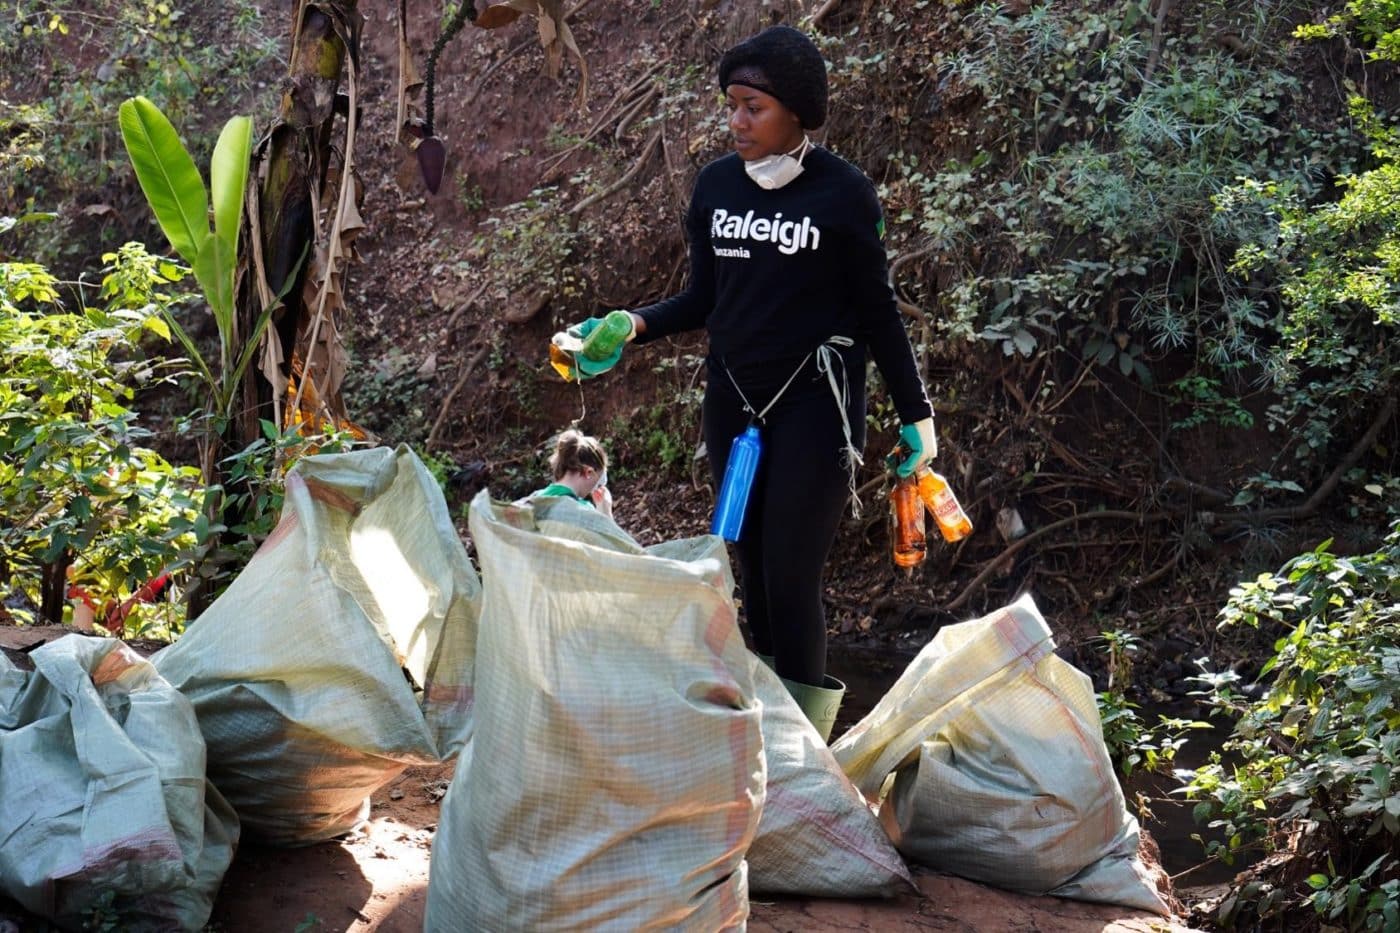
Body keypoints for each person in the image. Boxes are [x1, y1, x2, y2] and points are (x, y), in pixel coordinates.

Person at [557, 24, 936, 741]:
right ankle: (765, 744)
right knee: (752, 578)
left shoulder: (845, 195)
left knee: (793, 579)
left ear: (796, 111)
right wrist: (628, 326)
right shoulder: (716, 188)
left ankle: (806, 755)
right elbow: (705, 299)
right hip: (734, 404)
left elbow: (880, 311)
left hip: (816, 408)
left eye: (752, 106)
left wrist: (917, 416)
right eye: (731, 103)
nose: (736, 120)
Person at [530, 428, 614, 520]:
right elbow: (608, 534)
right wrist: (606, 514)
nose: (594, 489)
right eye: (598, 484)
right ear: (588, 472)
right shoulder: (584, 511)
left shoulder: (533, 499)